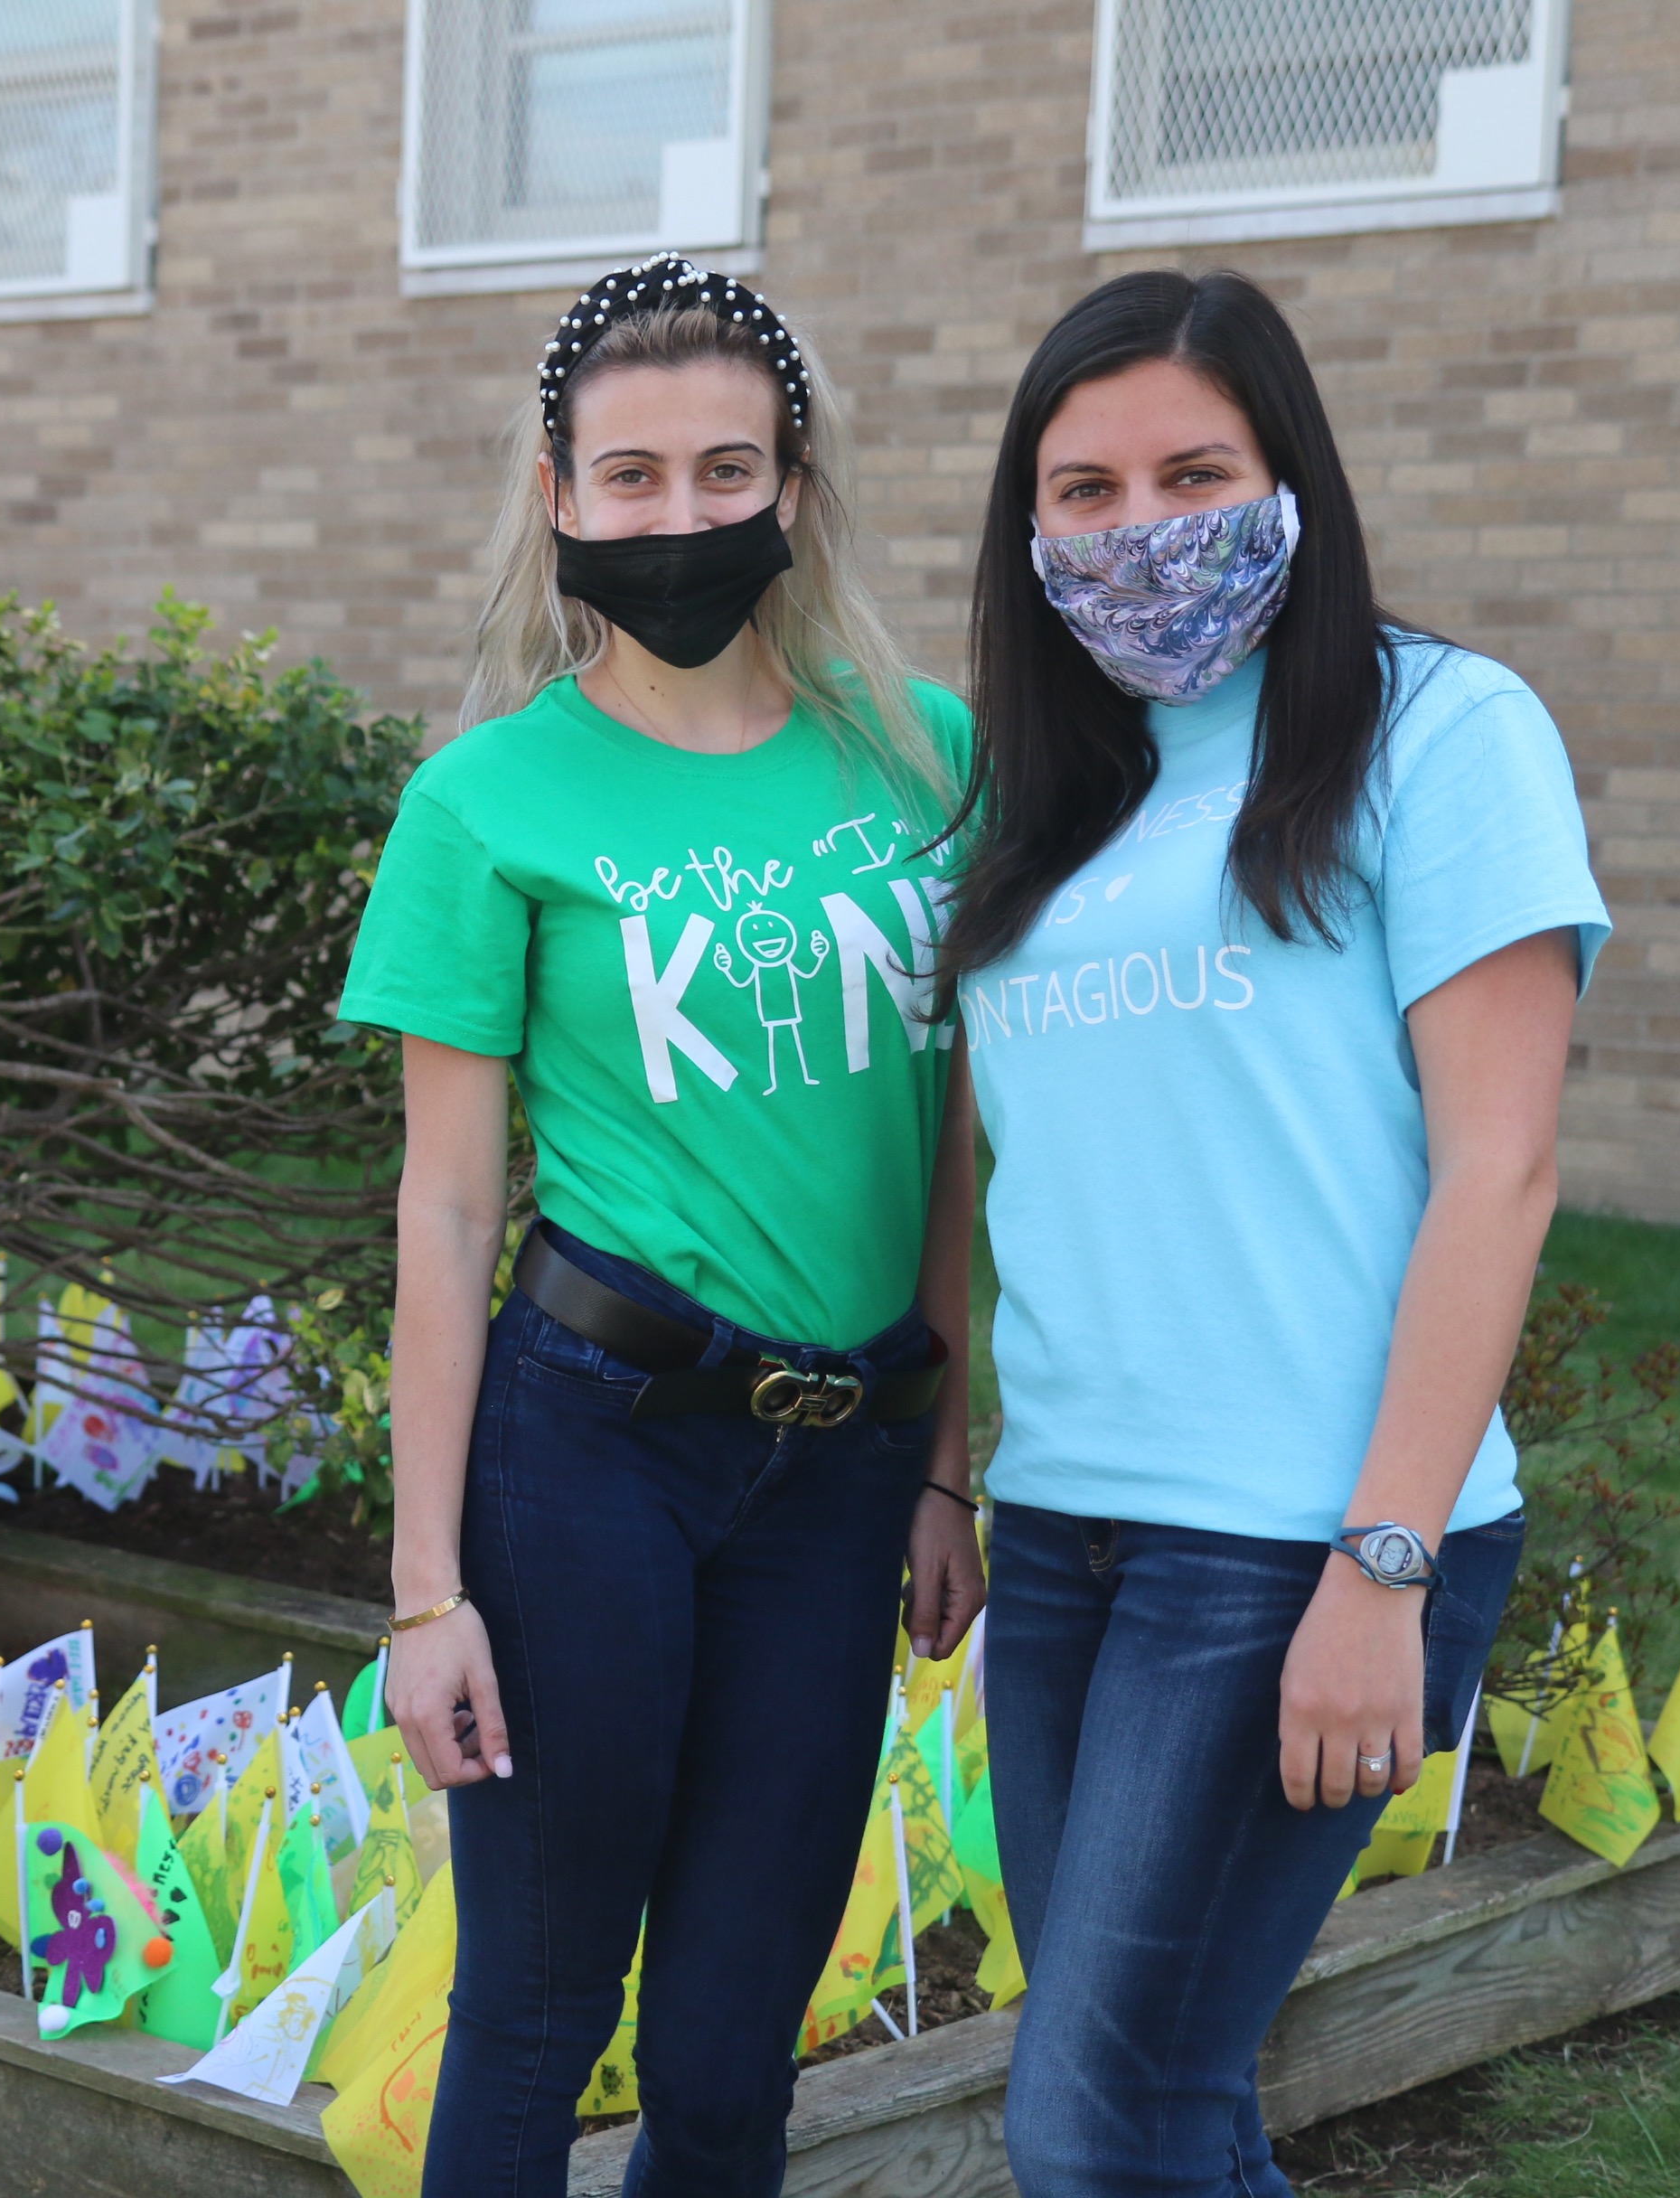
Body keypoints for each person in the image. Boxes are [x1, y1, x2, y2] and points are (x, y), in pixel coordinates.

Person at [943, 269, 1609, 2197]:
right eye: (1082, 490)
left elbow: (1504, 1170)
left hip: (1303, 1538)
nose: (1139, 528)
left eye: (1193, 468)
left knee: (1095, 2116)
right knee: (1165, 2096)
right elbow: (1013, 1174)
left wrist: (1382, 1567)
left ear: (1289, 476)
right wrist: (956, 1469)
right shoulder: (1047, 792)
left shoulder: (1443, 733)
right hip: (1066, 1531)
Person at [338, 252, 986, 2198]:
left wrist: (948, 1459)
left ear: (796, 487)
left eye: (728, 468)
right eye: (631, 477)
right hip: (589, 1456)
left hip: (844, 1466)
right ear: (559, 496)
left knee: (730, 2041)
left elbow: (951, 1137)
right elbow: (446, 1214)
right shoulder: (485, 802)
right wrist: (425, 1587)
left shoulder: (926, 752)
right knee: (539, 2012)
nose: (681, 514)